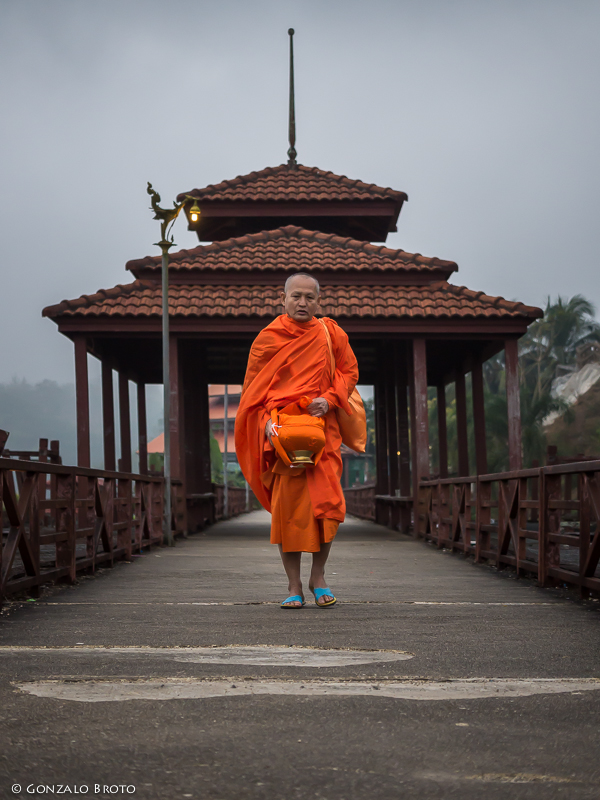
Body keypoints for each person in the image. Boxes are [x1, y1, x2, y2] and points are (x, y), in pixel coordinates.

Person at [235, 273, 359, 608]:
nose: (302, 303)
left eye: (309, 297)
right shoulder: (268, 338)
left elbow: (349, 372)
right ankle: (293, 585)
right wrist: (263, 425)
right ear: (283, 298)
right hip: (284, 435)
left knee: (328, 507)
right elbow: (253, 394)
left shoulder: (331, 332)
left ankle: (318, 576)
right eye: (296, 296)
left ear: (319, 300)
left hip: (322, 431)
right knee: (287, 511)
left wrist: (331, 399)